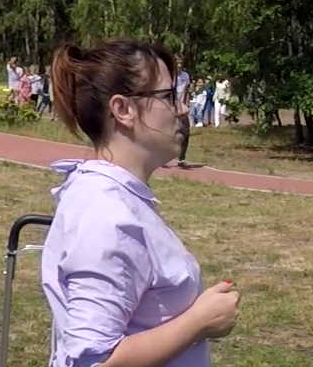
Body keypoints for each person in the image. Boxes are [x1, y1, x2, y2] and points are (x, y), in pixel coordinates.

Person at [40, 38, 240, 367]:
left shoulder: (116, 200)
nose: (183, 108)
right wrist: (199, 322)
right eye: (168, 96)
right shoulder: (107, 215)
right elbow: (93, 362)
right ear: (123, 110)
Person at [171, 61, 194, 168]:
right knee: (167, 131)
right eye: (177, 63)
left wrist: (186, 104)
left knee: (185, 131)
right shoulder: (170, 75)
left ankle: (181, 158)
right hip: (171, 106)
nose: (179, 65)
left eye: (181, 63)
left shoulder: (185, 76)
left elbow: (186, 90)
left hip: (182, 105)